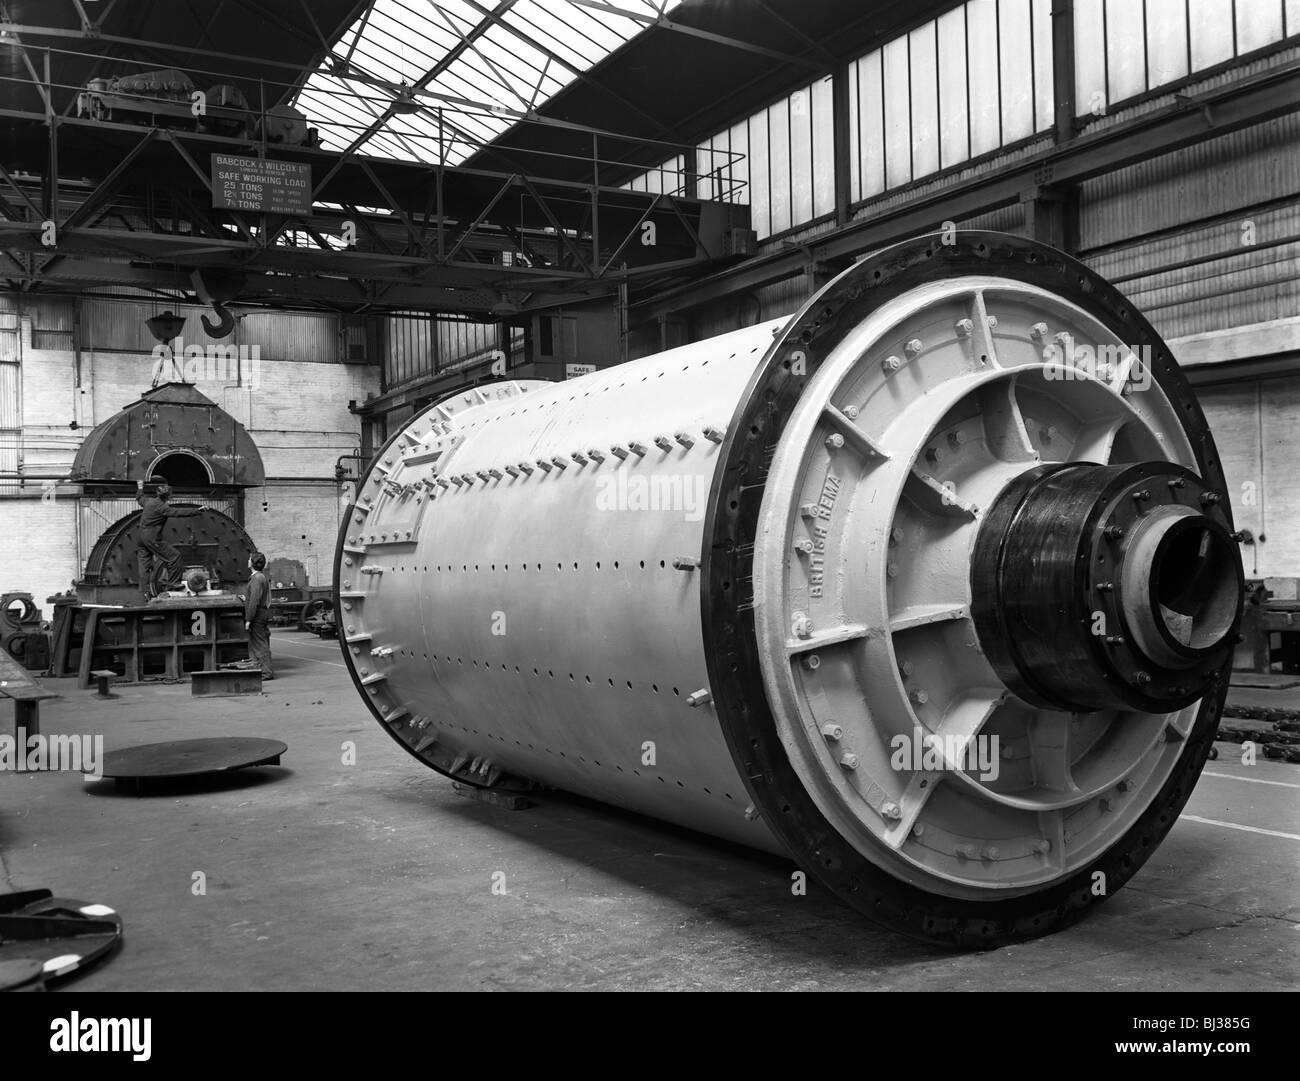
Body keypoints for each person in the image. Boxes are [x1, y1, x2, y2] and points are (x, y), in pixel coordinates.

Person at [135, 481, 203, 599]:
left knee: (144, 565)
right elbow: (178, 513)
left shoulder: (149, 502)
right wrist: (197, 511)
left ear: (157, 494)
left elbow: (140, 497)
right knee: (174, 557)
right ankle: (172, 584)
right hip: (152, 537)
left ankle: (145, 592)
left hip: (141, 537)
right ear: (168, 496)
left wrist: (140, 487)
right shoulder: (162, 507)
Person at [244, 551, 274, 680]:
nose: (248, 561)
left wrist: (249, 619)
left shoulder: (256, 578)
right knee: (259, 642)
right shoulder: (261, 577)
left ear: (253, 562)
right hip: (262, 612)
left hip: (257, 615)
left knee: (260, 644)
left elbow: (255, 601)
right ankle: (260, 669)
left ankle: (266, 673)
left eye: (249, 559)